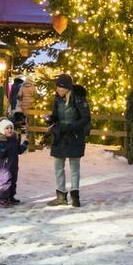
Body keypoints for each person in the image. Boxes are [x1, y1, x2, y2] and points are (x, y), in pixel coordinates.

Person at [45, 73, 91, 207]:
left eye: (60, 87)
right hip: (60, 136)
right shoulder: (57, 99)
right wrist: (50, 119)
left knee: (74, 167)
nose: (58, 89)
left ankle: (75, 197)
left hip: (74, 136)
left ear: (67, 88)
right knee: (58, 166)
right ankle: (61, 196)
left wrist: (72, 127)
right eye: (57, 87)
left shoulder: (79, 99)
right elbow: (56, 116)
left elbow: (86, 118)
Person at [0, 117, 28, 208]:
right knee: (5, 182)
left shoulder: (14, 140)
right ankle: (3, 199)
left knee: (13, 181)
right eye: (7, 128)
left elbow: (19, 151)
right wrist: (2, 150)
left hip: (14, 165)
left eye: (11, 128)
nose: (9, 130)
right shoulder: (0, 142)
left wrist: (24, 145)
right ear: (2, 130)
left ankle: (11, 196)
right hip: (5, 167)